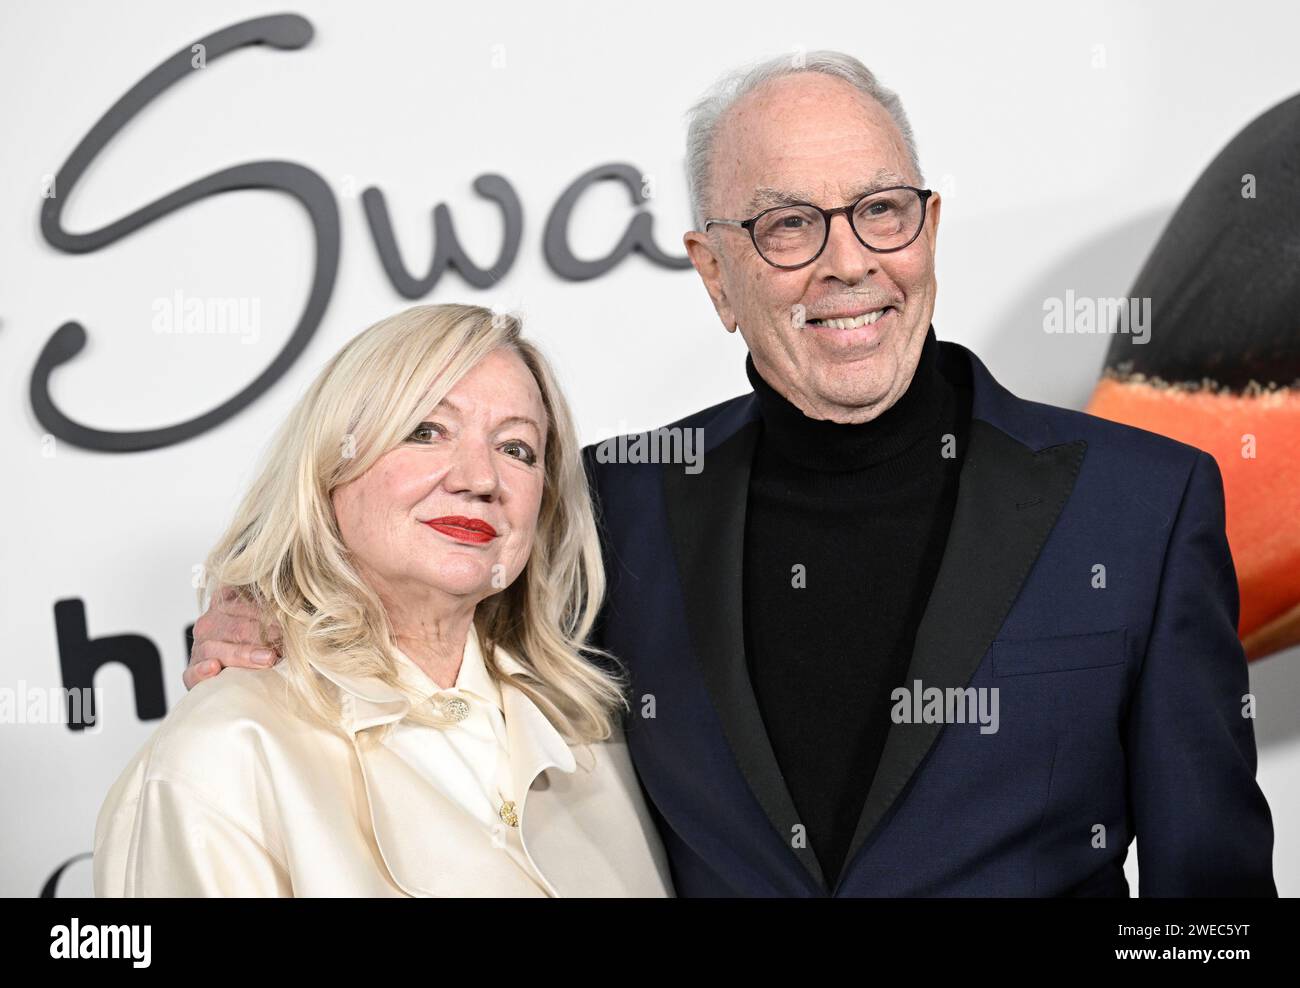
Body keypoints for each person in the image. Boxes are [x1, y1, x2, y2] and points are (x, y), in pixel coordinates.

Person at [188, 52, 1276, 897]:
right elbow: (413, 599)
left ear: (928, 226)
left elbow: (1210, 903)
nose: (849, 260)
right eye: (788, 225)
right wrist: (248, 605)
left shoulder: (1140, 502)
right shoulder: (612, 506)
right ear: (714, 272)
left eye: (880, 209)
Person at [95, 303, 673, 897]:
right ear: (327, 468)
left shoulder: (595, 737)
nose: (479, 478)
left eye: (516, 449)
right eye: (426, 431)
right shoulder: (226, 751)